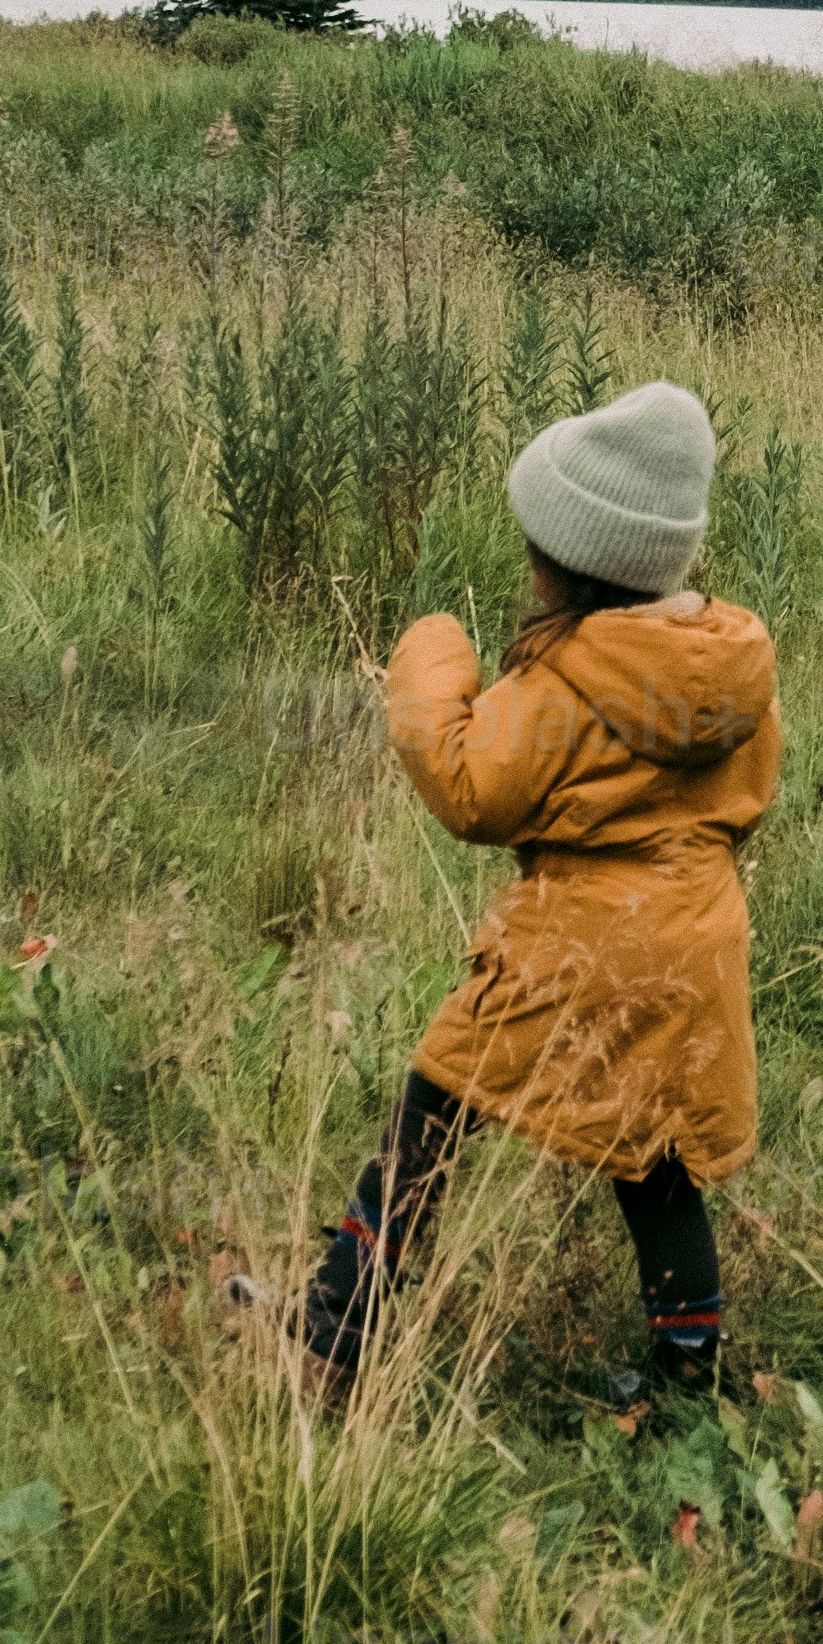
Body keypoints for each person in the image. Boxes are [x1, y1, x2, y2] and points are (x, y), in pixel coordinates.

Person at [283, 380, 776, 1417]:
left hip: (575, 947)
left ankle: (338, 1324)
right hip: (697, 943)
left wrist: (430, 653)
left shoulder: (565, 682)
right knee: (658, 1161)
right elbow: (748, 799)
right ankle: (691, 1379)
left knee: (433, 1110)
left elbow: (473, 792)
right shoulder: (730, 666)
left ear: (567, 564)